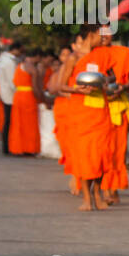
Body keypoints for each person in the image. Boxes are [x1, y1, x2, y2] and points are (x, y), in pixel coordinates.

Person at [62, 25, 115, 211]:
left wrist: (105, 83)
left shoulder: (102, 55)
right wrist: (77, 89)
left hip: (100, 112)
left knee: (100, 156)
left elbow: (111, 77)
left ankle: (97, 195)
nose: (104, 38)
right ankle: (86, 198)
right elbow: (61, 86)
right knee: (85, 157)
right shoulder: (73, 58)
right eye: (101, 35)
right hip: (82, 113)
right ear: (90, 35)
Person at [87, 26, 129, 205]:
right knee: (101, 150)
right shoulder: (91, 56)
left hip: (117, 107)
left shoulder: (123, 53)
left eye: (108, 32)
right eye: (101, 32)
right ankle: (101, 188)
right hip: (96, 108)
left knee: (118, 151)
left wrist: (123, 87)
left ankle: (113, 188)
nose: (105, 36)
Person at [49, 42, 82, 195]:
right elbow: (55, 88)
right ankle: (75, 176)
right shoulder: (62, 69)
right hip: (65, 108)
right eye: (63, 54)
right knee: (69, 145)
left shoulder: (86, 63)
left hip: (82, 107)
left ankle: (82, 176)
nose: (66, 57)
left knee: (80, 144)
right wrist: (72, 93)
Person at [7, 51, 41, 156]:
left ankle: (17, 148)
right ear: (36, 57)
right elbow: (35, 87)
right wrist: (41, 99)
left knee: (18, 123)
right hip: (28, 96)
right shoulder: (32, 68)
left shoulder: (19, 66)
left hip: (18, 96)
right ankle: (29, 148)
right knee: (29, 124)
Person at [0, 40, 22, 154]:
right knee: (9, 121)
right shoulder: (10, 62)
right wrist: (19, 92)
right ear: (15, 49)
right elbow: (13, 81)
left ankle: (7, 146)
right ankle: (7, 146)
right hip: (10, 94)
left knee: (8, 121)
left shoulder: (3, 60)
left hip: (5, 93)